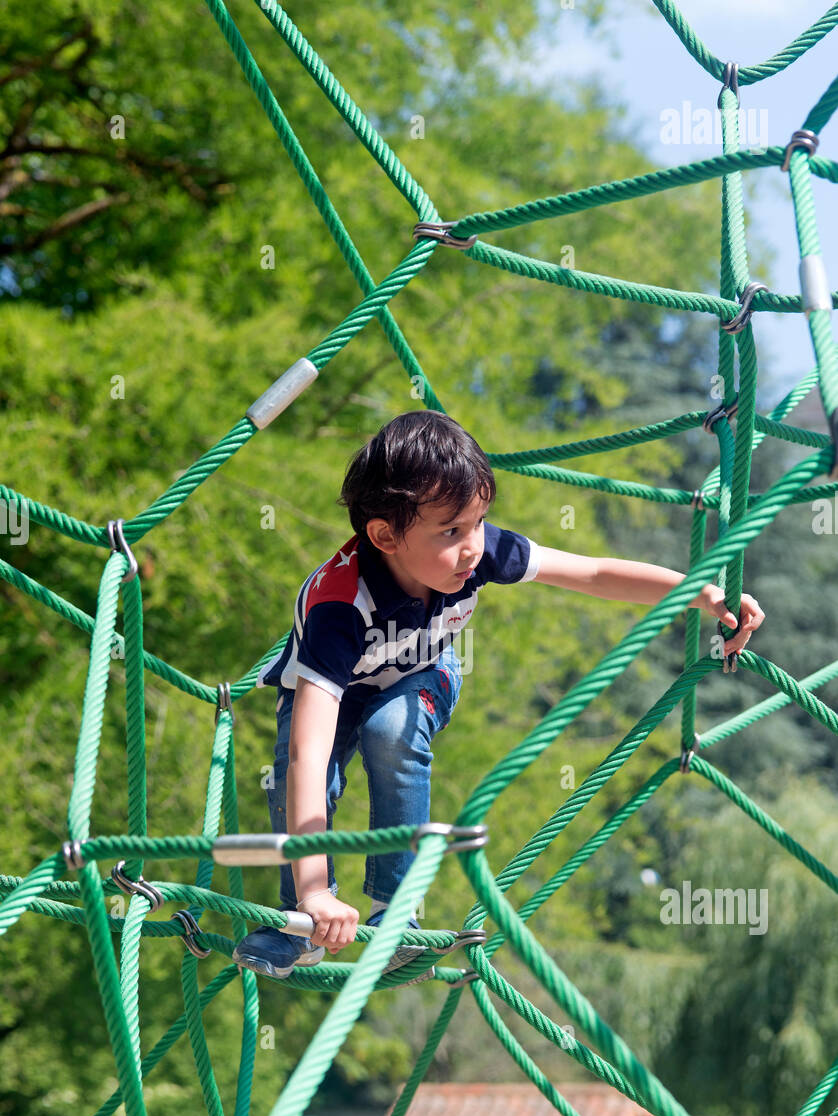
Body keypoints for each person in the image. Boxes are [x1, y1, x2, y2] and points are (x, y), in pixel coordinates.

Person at [233, 410, 764, 982]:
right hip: (333, 687)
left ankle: (397, 911)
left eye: (478, 522)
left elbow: (590, 573)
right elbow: (307, 757)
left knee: (393, 732)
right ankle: (303, 919)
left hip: (423, 672)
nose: (472, 547)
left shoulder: (480, 553)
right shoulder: (340, 609)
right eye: (450, 532)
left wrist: (700, 594)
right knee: (310, 779)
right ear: (385, 536)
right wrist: (315, 890)